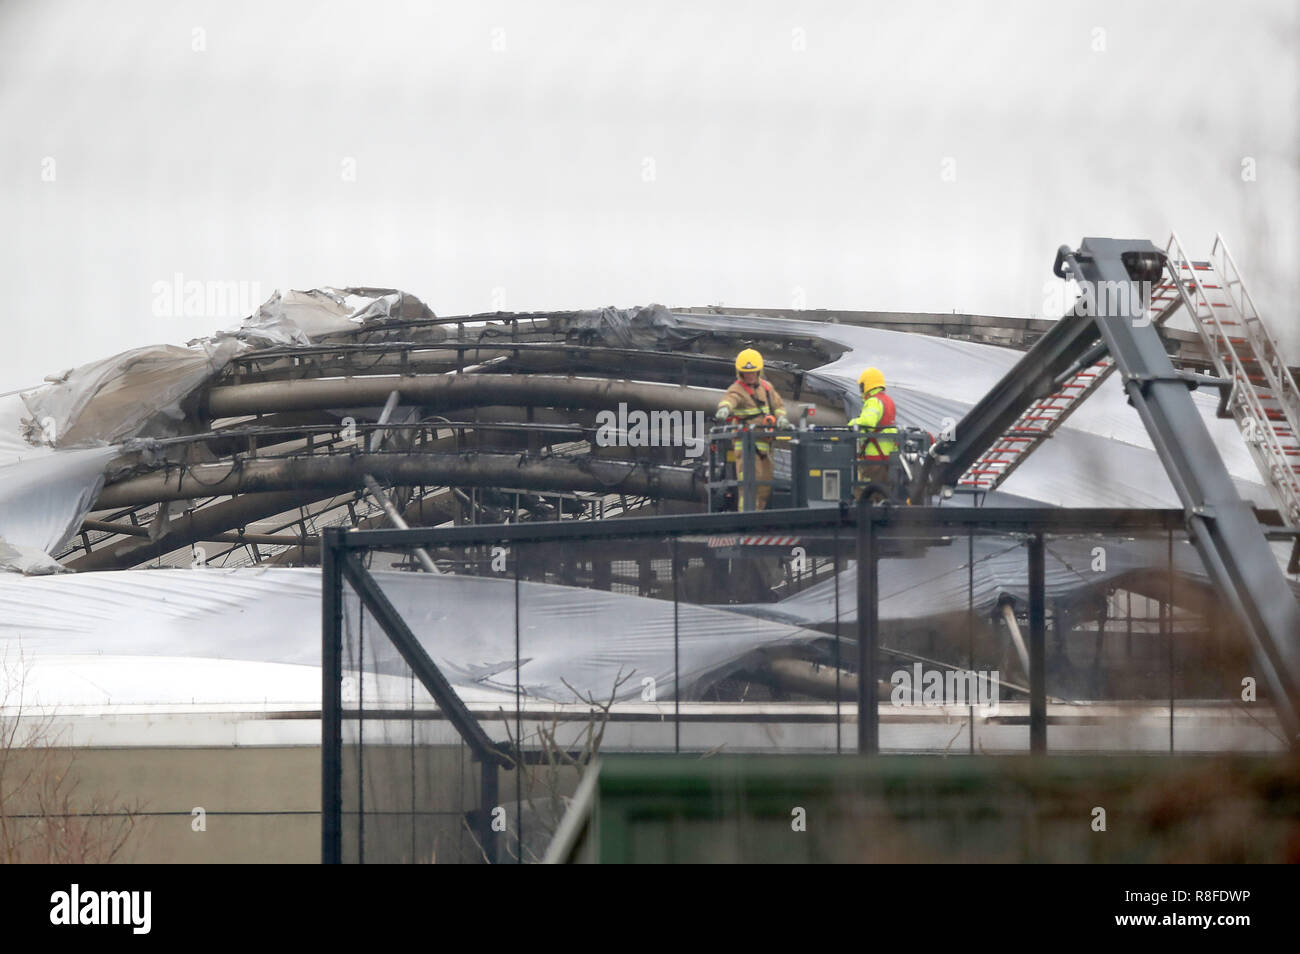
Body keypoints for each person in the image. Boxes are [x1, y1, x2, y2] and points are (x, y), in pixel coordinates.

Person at [715, 348, 790, 510]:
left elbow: (778, 406)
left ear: (759, 372)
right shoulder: (737, 389)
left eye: (753, 372)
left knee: (765, 485)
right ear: (740, 373)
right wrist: (724, 409)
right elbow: (730, 399)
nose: (750, 376)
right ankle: (746, 518)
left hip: (765, 445)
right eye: (746, 373)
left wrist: (782, 418)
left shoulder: (767, 387)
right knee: (749, 484)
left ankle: (758, 516)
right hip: (747, 446)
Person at [851, 367, 898, 502]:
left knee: (865, 493)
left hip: (873, 457)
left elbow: (868, 421)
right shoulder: (889, 401)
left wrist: (852, 423)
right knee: (882, 493)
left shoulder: (873, 401)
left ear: (867, 384)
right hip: (887, 457)